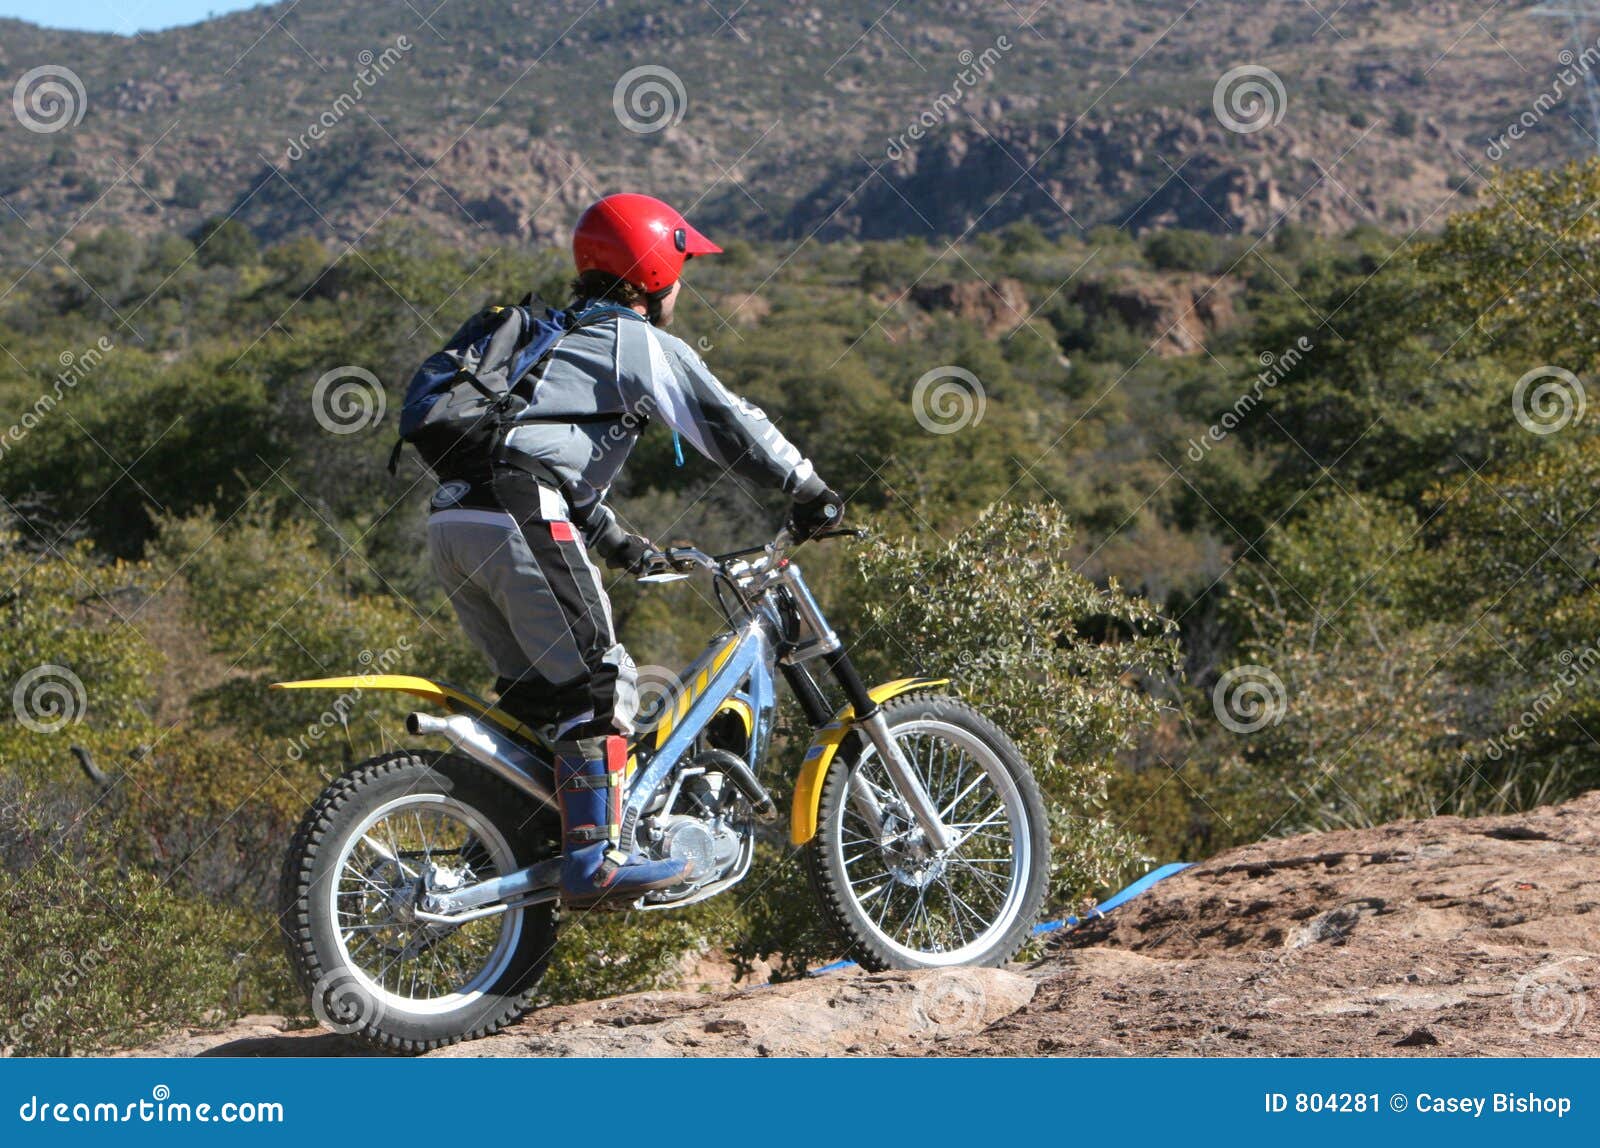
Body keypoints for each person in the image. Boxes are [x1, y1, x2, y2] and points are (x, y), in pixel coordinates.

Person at [424, 193, 845, 905]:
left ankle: (501, 855)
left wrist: (623, 545)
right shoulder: (633, 341)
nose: (683, 284)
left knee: (542, 708)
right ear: (654, 274)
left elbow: (546, 456)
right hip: (518, 513)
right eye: (680, 267)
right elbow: (728, 423)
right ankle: (597, 863)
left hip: (454, 521)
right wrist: (809, 489)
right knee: (599, 683)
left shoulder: (555, 337)